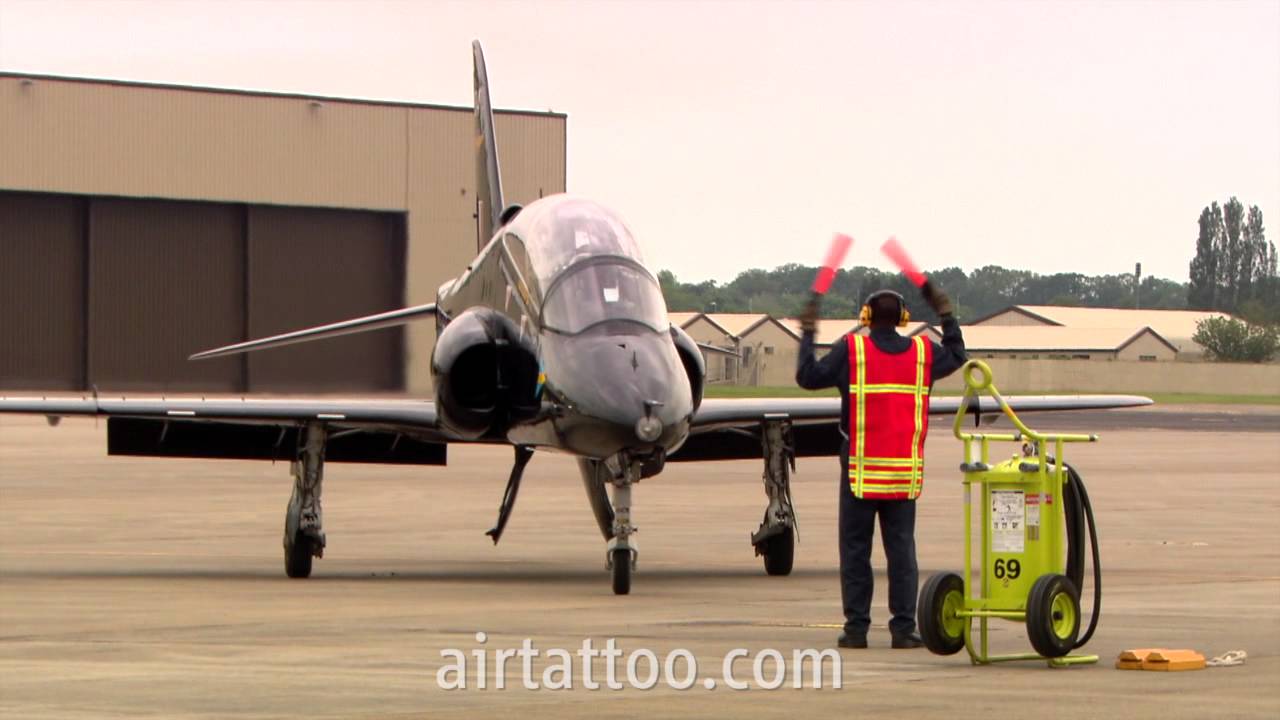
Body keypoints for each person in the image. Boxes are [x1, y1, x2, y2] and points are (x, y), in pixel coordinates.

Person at [795, 282, 966, 649]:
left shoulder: (852, 350)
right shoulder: (922, 354)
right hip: (903, 475)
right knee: (902, 553)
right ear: (904, 318)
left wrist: (807, 333)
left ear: (867, 318)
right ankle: (903, 629)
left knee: (856, 552)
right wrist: (946, 315)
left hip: (859, 472)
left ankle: (856, 629)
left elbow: (807, 377)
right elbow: (957, 354)